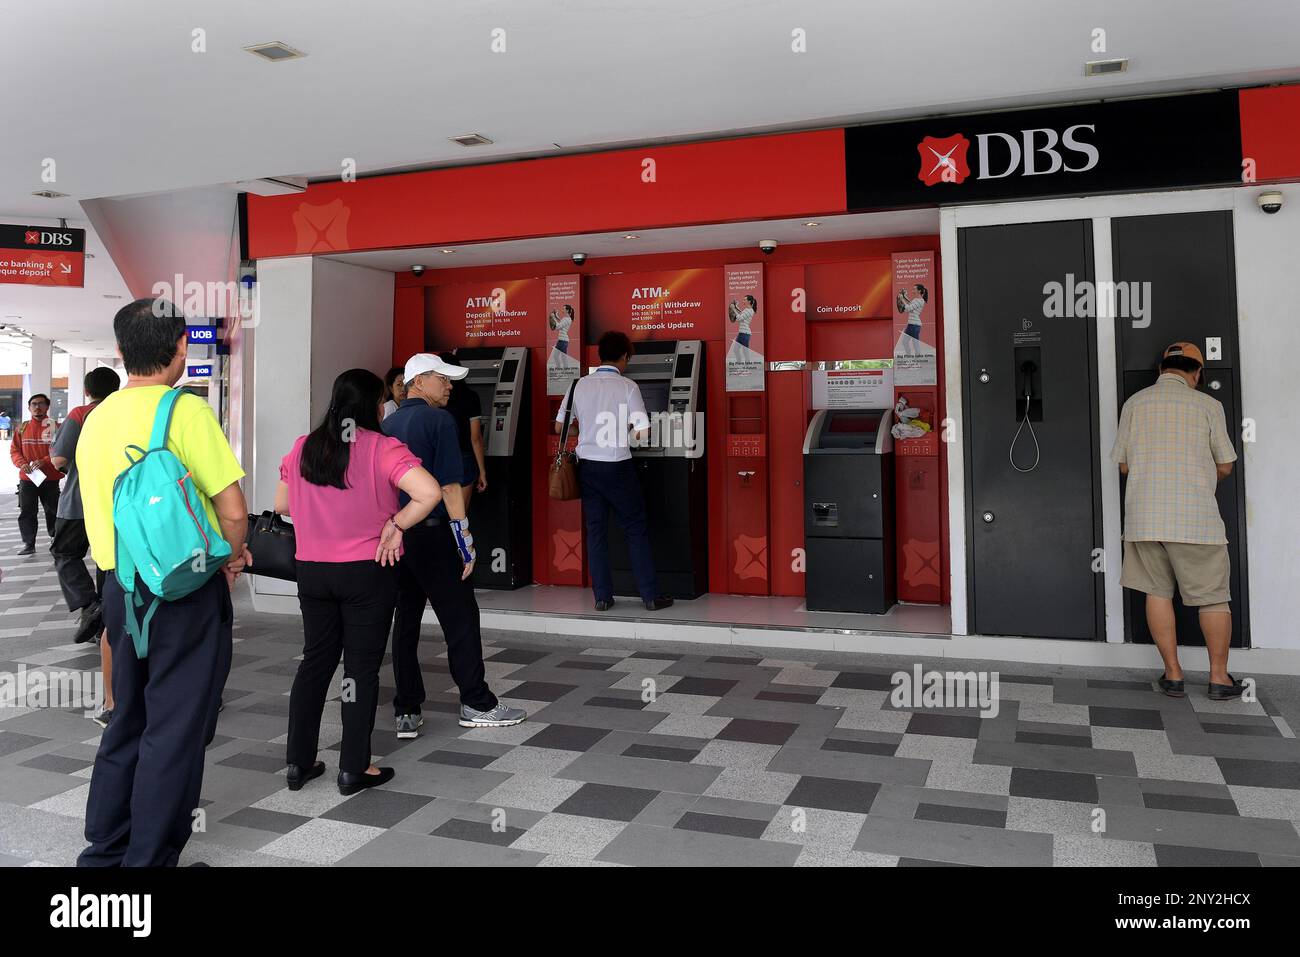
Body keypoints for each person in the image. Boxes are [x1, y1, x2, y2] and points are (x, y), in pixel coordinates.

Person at [76, 297, 251, 868]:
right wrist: (231, 557)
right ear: (180, 348)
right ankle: (148, 866)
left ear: (124, 353)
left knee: (127, 716)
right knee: (175, 727)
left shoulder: (96, 417)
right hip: (181, 590)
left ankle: (104, 854)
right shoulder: (186, 412)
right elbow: (231, 506)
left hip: (118, 590)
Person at [276, 368, 442, 795]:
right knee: (360, 670)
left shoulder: (303, 448)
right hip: (367, 571)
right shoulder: (383, 448)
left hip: (312, 570)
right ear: (373, 405)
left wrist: (323, 513)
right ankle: (353, 768)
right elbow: (429, 493)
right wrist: (396, 525)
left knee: (315, 662)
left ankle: (298, 762)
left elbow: (282, 505)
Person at [382, 353, 525, 737]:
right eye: (443, 379)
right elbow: (447, 487)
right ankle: (476, 702)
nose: (449, 386)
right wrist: (465, 539)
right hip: (434, 533)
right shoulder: (439, 420)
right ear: (420, 381)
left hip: (399, 534)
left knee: (406, 621)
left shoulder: (390, 421)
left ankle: (407, 709)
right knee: (461, 617)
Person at [1111, 341, 1245, 701]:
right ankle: (1219, 679)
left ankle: (1173, 675)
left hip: (1144, 519)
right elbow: (1226, 464)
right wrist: (1200, 476)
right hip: (1195, 520)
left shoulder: (1134, 404)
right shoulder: (1208, 405)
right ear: (1197, 374)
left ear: (1161, 370)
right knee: (1214, 599)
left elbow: (1123, 464)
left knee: (1157, 592)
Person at [555, 331, 674, 612]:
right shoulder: (628, 387)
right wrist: (627, 433)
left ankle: (602, 597)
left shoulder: (578, 386)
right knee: (634, 528)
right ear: (625, 356)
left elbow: (560, 427)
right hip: (618, 467)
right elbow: (643, 431)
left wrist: (584, 429)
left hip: (588, 468)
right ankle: (650, 595)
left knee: (596, 531)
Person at [49, 367, 121, 728]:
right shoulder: (124, 410)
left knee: (65, 554)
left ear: (88, 389)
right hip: (118, 506)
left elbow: (59, 461)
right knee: (107, 561)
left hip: (78, 503)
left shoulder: (80, 414)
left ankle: (90, 605)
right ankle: (105, 611)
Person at [10, 392, 62, 555]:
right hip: (28, 478)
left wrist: (45, 460)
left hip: (50, 477)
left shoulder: (55, 427)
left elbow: (60, 449)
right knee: (27, 511)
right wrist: (22, 463)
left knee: (53, 510)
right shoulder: (22, 428)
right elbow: (15, 451)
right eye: (34, 404)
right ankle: (28, 544)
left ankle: (55, 540)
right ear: (29, 407)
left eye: (41, 404)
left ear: (47, 407)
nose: (37, 407)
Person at [438, 352, 488, 508]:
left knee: (439, 512)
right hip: (463, 459)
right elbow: (475, 438)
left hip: (439, 459)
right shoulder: (470, 397)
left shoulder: (434, 398)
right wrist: (482, 471)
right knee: (460, 515)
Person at [896, 284, 928, 356]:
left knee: (914, 342)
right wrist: (904, 296)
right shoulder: (916, 300)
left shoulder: (920, 301)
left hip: (915, 325)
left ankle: (917, 356)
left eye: (914, 289)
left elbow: (909, 308)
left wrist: (901, 299)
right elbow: (911, 304)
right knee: (905, 341)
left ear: (919, 291)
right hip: (911, 324)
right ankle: (910, 355)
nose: (912, 290)